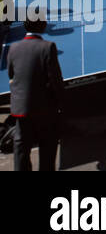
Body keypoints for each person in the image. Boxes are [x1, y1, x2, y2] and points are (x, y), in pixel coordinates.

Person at [7, 12, 64, 171]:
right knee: (47, 149)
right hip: (44, 110)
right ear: (42, 25)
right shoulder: (48, 47)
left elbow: (11, 76)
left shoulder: (13, 48)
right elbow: (55, 80)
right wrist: (61, 104)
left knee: (21, 151)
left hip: (21, 110)